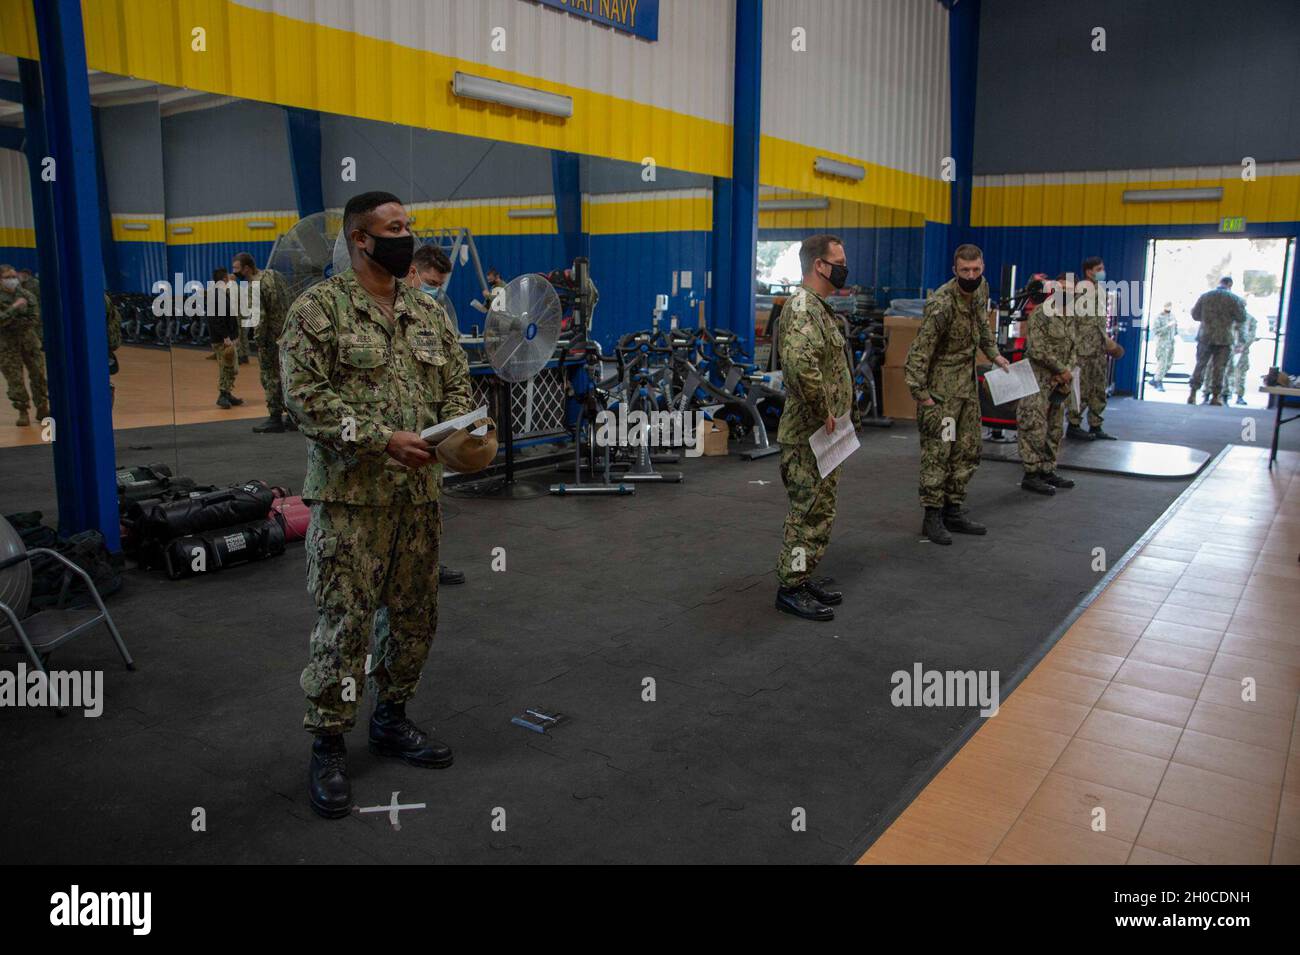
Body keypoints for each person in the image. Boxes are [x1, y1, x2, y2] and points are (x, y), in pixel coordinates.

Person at [280, 191, 473, 819]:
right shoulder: (319, 309)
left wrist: (467, 436)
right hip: (353, 503)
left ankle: (390, 719)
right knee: (346, 624)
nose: (407, 238)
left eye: (409, 227)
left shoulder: (428, 312)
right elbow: (304, 398)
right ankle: (330, 741)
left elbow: (455, 389)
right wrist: (379, 440)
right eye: (394, 229)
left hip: (419, 500)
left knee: (415, 616)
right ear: (361, 239)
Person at [904, 244, 1010, 544]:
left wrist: (995, 355)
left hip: (967, 387)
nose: (971, 275)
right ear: (955, 270)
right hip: (941, 393)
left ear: (982, 267)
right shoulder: (942, 304)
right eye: (965, 271)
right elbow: (919, 351)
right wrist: (921, 394)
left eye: (976, 270)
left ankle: (953, 509)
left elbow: (982, 326)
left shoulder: (981, 290)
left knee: (968, 449)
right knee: (939, 453)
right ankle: (933, 516)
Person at [774, 234, 853, 621]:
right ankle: (789, 587)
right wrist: (824, 409)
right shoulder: (804, 308)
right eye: (838, 260)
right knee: (805, 511)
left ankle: (802, 575)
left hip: (826, 431)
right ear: (820, 265)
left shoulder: (820, 308)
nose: (844, 266)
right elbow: (800, 366)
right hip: (809, 432)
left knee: (820, 509)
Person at [401, 243, 468, 588]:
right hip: (386, 442)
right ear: (412, 272)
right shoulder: (379, 313)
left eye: (440, 285)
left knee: (427, 508)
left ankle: (429, 565)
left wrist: (453, 425)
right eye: (430, 281)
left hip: (427, 439)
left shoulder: (435, 317)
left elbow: (455, 375)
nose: (435, 290)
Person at [1016, 278, 1077, 495]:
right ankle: (1031, 474)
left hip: (1059, 383)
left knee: (1054, 426)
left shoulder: (1071, 316)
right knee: (1033, 425)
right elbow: (1036, 349)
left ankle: (1047, 470)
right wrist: (1061, 369)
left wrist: (1067, 371)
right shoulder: (1042, 313)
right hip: (1037, 379)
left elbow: (1074, 349)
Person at [231, 252, 294, 433]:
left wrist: (258, 341)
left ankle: (275, 418)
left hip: (269, 339)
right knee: (287, 375)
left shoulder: (253, 286)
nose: (234, 273)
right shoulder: (274, 275)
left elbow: (259, 317)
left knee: (269, 377)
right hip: (287, 335)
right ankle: (292, 416)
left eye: (237, 269)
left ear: (247, 268)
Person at [1066, 256, 1120, 440]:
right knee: (1080, 388)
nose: (1102, 272)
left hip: (1098, 349)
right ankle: (1074, 424)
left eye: (1102, 268)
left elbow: (1099, 323)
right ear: (1089, 272)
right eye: (1099, 269)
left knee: (1098, 387)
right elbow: (1070, 320)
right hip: (1082, 350)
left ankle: (1095, 425)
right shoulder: (1078, 291)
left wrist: (1106, 342)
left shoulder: (1102, 291)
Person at [0, 263, 49, 426]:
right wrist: (14, 308)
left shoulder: (27, 295)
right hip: (7, 345)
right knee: (15, 379)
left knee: (38, 374)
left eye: (13, 277)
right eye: (7, 278)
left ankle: (42, 407)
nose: (12, 280)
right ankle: (22, 410)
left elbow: (34, 318)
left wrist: (9, 318)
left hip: (29, 341)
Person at [1188, 276, 1246, 406]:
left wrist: (1208, 320)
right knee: (1219, 368)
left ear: (1219, 283)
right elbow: (1242, 317)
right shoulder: (1234, 299)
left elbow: (1195, 315)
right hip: (1224, 339)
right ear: (1230, 285)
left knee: (1200, 365)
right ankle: (1215, 397)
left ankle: (1192, 394)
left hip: (1205, 337)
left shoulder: (1205, 296)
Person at [207, 268, 245, 410]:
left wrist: (234, 336)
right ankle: (223, 395)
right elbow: (216, 320)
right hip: (222, 340)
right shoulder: (217, 296)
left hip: (226, 338)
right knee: (226, 367)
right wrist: (226, 337)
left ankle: (227, 393)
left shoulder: (221, 294)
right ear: (224, 279)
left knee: (231, 367)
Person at [1227, 309, 1258, 405]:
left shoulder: (1250, 319)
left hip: (1243, 351)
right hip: (1228, 348)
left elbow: (1251, 335)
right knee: (1227, 372)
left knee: (1241, 374)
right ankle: (1225, 394)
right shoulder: (1229, 316)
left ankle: (1239, 396)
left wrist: (1243, 346)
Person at [1150, 302, 1177, 391]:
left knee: (1168, 364)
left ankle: (1154, 379)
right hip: (1162, 344)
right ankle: (1158, 382)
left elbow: (1175, 329)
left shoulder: (1172, 316)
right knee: (1162, 363)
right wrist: (1167, 326)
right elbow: (1156, 331)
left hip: (1170, 343)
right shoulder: (1159, 317)